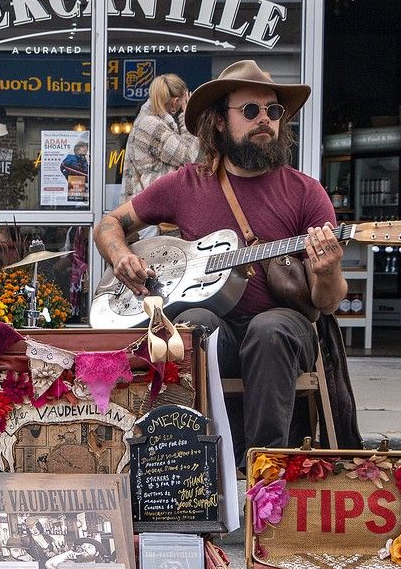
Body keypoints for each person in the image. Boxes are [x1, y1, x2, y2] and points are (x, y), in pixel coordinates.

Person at [93, 60, 349, 454]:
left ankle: (266, 465)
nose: (264, 119)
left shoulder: (306, 193)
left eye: (273, 111)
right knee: (193, 324)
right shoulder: (186, 184)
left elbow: (327, 302)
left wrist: (328, 271)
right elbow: (109, 224)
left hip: (284, 332)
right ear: (218, 121)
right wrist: (121, 256)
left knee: (269, 328)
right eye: (250, 110)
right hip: (219, 330)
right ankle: (190, 460)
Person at [120, 74, 199, 237]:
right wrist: (187, 117)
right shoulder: (151, 125)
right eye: (184, 102)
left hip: (152, 213)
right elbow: (186, 155)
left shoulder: (150, 121)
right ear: (175, 102)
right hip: (152, 217)